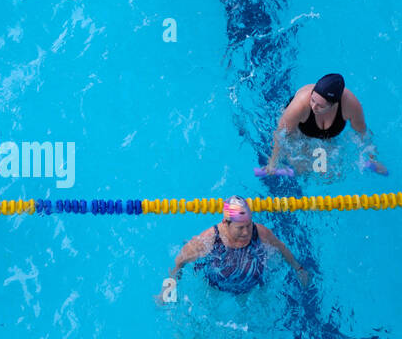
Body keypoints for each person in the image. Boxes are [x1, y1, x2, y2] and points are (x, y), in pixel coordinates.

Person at [163, 197, 308, 297]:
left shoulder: (260, 232)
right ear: (226, 223)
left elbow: (281, 248)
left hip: (252, 289)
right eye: (240, 228)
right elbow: (179, 262)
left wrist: (299, 269)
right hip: (215, 291)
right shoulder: (209, 240)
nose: (246, 232)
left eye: (249, 225)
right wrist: (167, 292)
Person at [265, 73, 386, 176]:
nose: (313, 107)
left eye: (321, 106)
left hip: (327, 135)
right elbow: (280, 135)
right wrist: (273, 163)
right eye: (313, 100)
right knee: (302, 169)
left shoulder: (351, 105)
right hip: (298, 130)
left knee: (333, 175)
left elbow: (362, 133)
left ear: (334, 104)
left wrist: (373, 159)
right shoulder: (300, 105)